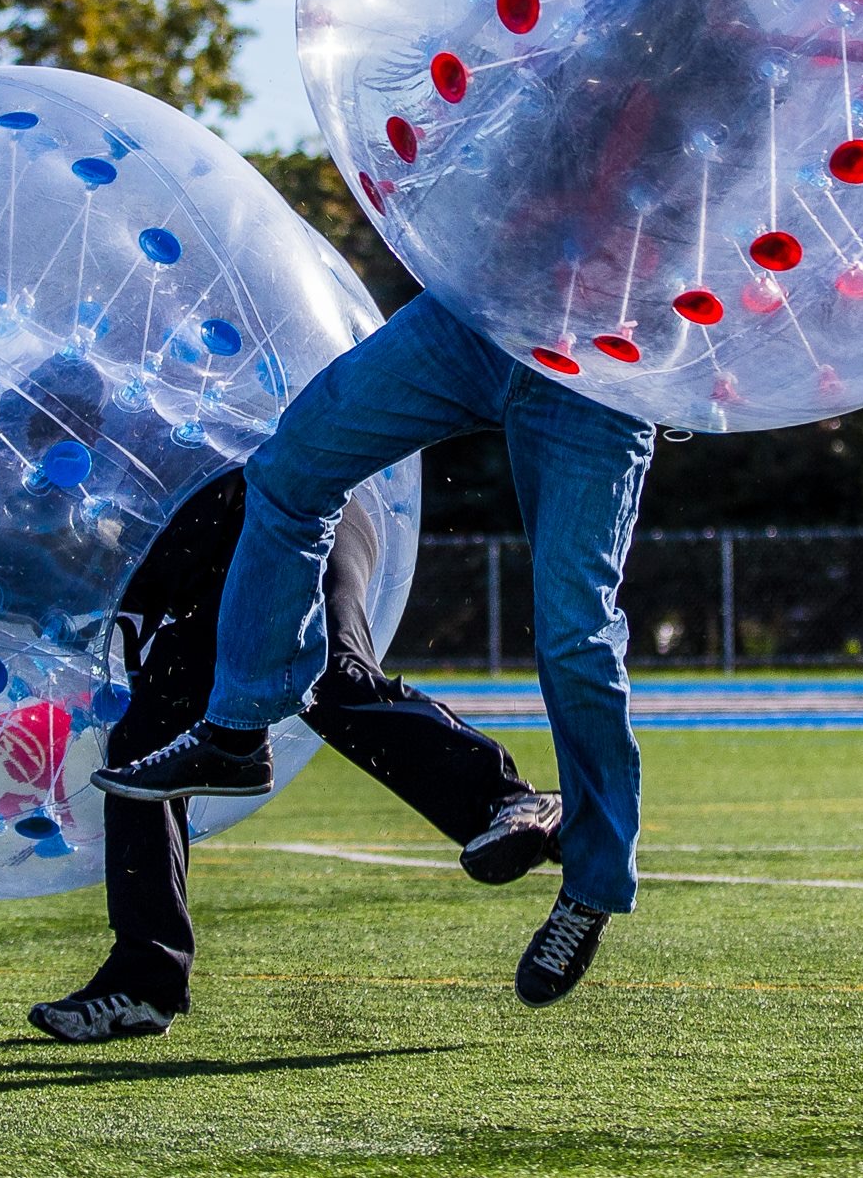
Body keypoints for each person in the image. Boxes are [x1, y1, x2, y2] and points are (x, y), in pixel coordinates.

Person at [92, 295, 658, 1009]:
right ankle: (236, 734)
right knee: (290, 469)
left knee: (575, 633)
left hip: (604, 361)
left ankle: (591, 886)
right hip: (475, 319)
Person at [32, 464, 559, 1043]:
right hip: (218, 587)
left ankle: (512, 803)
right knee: (142, 744)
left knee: (330, 678)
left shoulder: (105, 465)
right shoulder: (44, 535)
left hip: (298, 514)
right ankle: (144, 980)